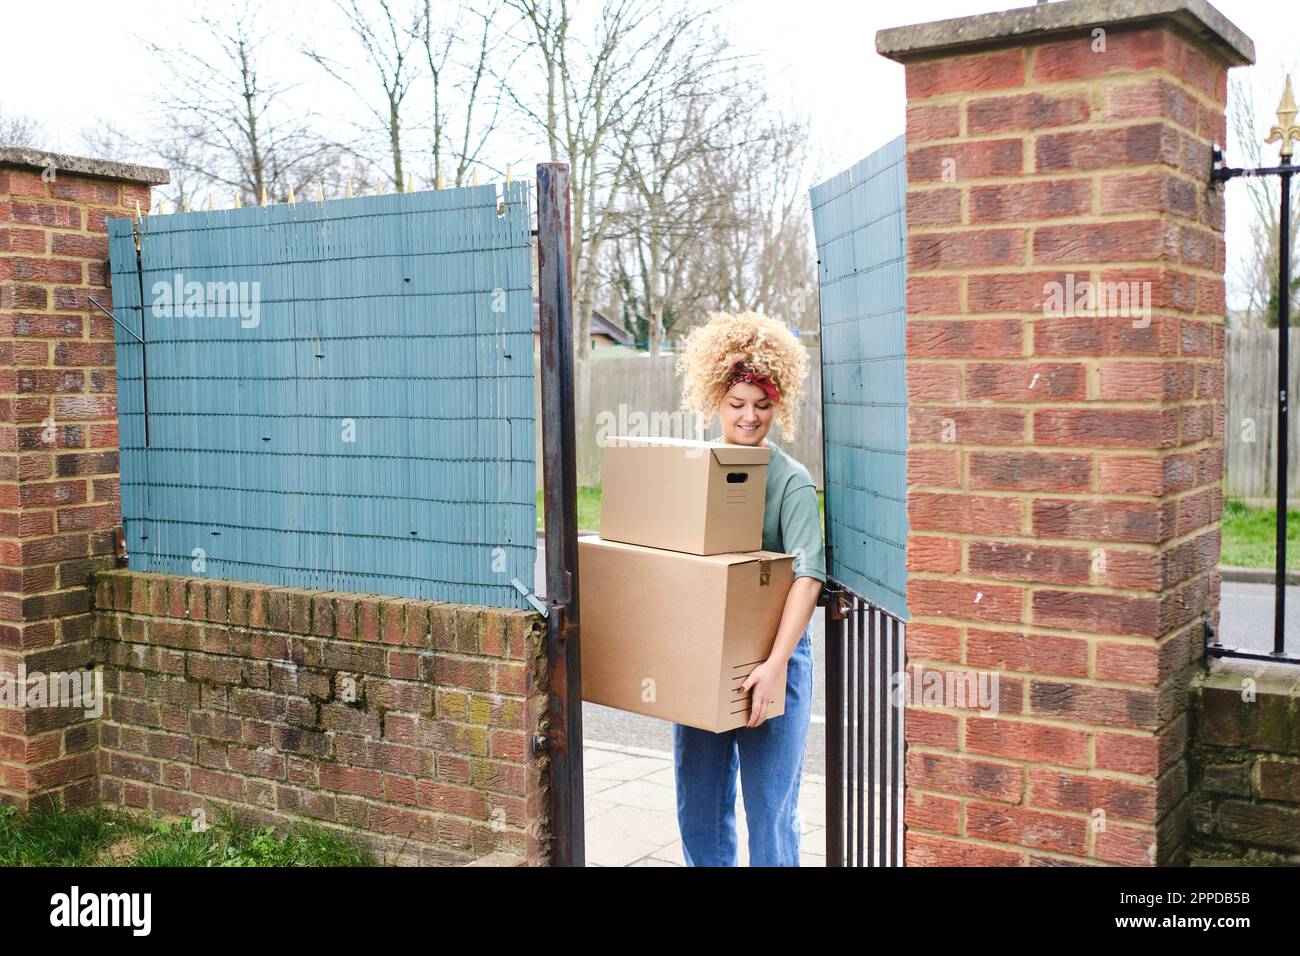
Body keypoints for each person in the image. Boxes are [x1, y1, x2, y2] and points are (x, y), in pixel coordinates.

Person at [670, 309, 826, 867]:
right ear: (717, 400)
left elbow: (809, 575)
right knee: (700, 805)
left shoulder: (792, 481)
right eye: (737, 404)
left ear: (777, 405)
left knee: (769, 811)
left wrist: (778, 664)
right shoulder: (697, 469)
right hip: (706, 658)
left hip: (773, 660)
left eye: (761, 405)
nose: (749, 417)